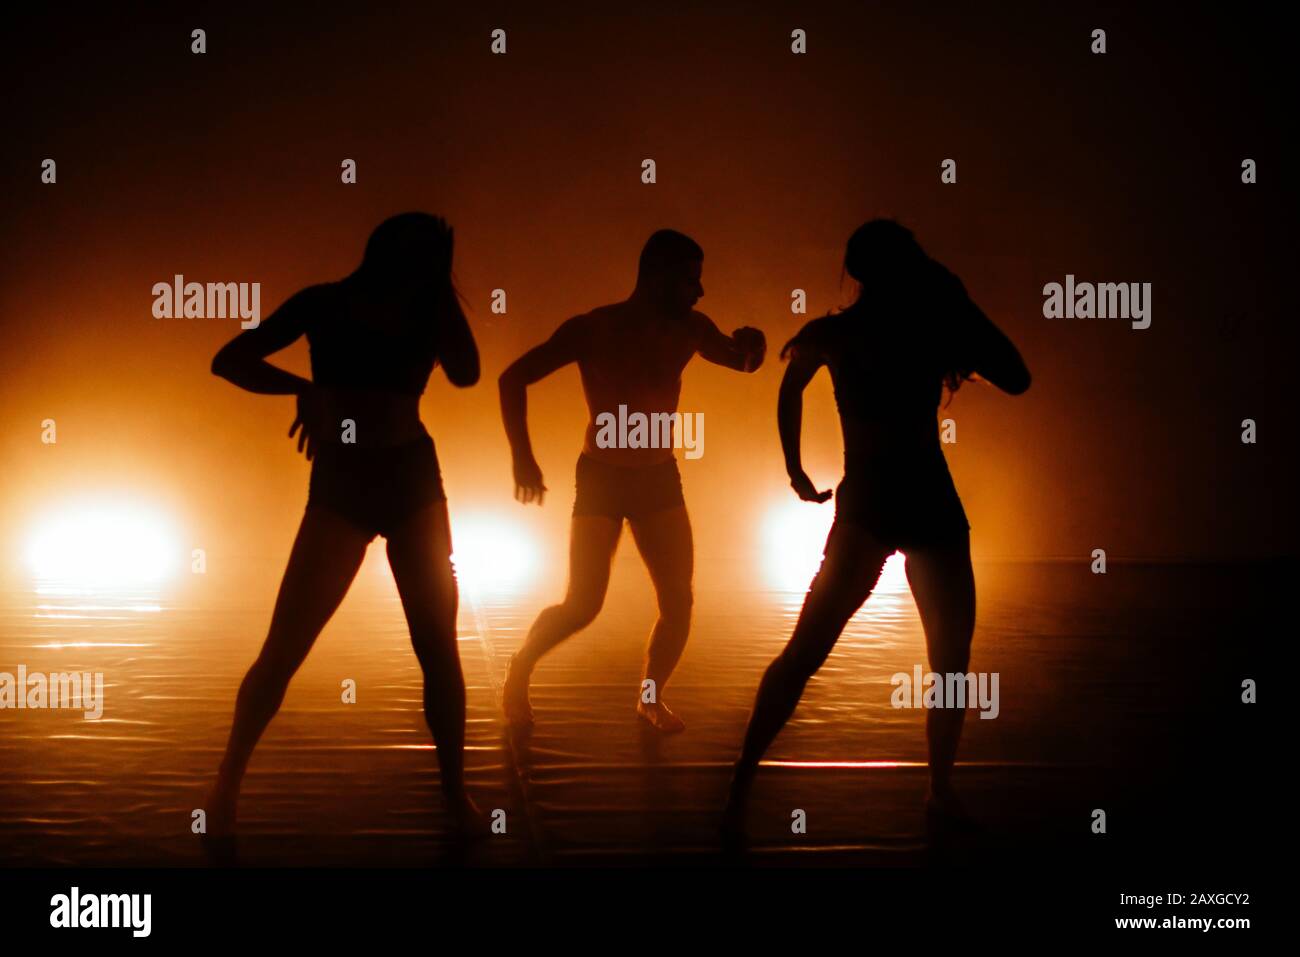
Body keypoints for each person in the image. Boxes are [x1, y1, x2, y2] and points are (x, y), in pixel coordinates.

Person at [724, 219, 1031, 831]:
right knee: (942, 660)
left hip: (881, 503)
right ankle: (936, 789)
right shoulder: (919, 325)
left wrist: (796, 471)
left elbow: (790, 389)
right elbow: (1015, 376)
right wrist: (958, 302)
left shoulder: (849, 332)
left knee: (815, 651)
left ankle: (742, 783)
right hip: (911, 503)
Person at [205, 212, 486, 844]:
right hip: (345, 481)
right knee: (285, 645)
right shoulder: (325, 303)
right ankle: (226, 781)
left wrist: (441, 294)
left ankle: (453, 792)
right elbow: (230, 358)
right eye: (430, 262)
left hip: (412, 478)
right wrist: (304, 388)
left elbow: (467, 372)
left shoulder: (428, 307)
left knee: (437, 645)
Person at [499, 229, 766, 733]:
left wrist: (755, 345)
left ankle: (650, 696)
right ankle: (520, 669)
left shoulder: (692, 327)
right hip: (601, 476)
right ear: (657, 277)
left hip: (658, 477)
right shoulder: (594, 328)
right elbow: (513, 378)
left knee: (678, 601)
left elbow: (742, 362)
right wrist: (522, 458)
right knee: (583, 604)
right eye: (690, 280)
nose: (699, 292)